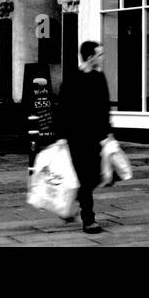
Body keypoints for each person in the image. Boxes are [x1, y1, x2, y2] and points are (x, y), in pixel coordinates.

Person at [56, 41, 112, 234]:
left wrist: (108, 133)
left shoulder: (99, 77)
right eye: (100, 54)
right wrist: (62, 136)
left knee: (96, 176)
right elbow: (62, 109)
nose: (102, 58)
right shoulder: (72, 79)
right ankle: (88, 219)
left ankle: (70, 202)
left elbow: (104, 107)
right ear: (90, 57)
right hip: (76, 137)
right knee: (86, 177)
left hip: (95, 136)